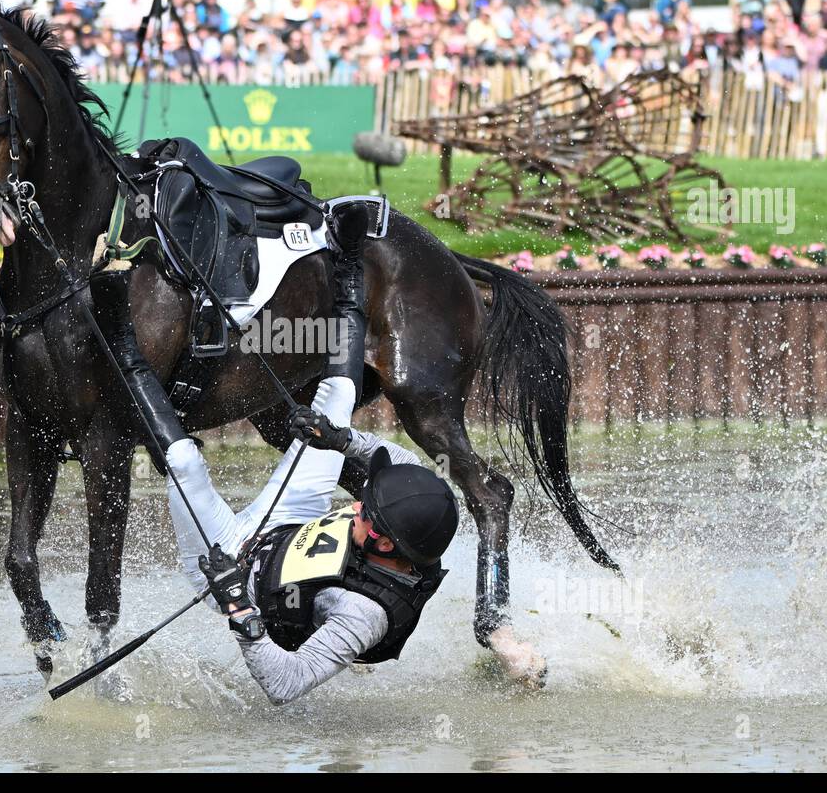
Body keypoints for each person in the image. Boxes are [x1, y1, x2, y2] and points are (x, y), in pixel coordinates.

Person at [91, 204, 547, 704]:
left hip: (228, 556)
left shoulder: (363, 615)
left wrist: (240, 610)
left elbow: (284, 684)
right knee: (338, 406)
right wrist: (338, 439)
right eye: (362, 502)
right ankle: (351, 272)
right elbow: (376, 453)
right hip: (288, 521)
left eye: (365, 515)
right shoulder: (413, 496)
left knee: (181, 459)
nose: (351, 503)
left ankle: (117, 335)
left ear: (386, 545)